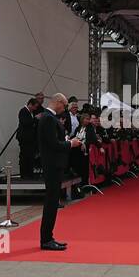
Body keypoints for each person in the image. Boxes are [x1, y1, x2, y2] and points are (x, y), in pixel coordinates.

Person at [38, 93, 81, 251]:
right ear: (57, 102)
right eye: (63, 106)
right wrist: (70, 143)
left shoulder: (49, 118)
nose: (63, 110)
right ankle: (46, 238)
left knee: (52, 202)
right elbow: (54, 144)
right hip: (52, 165)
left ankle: (48, 237)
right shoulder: (49, 118)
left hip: (53, 164)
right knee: (51, 202)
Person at [16, 96, 42, 179]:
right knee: (24, 156)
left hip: (30, 139)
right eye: (34, 107)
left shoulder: (30, 112)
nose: (35, 109)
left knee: (30, 156)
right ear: (30, 104)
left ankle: (29, 174)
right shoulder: (23, 111)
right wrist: (35, 118)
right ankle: (24, 174)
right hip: (24, 138)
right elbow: (25, 123)